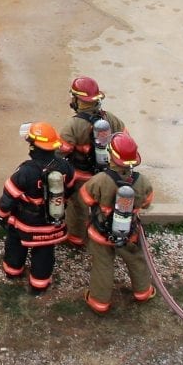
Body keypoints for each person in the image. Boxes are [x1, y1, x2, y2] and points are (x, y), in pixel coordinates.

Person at [80, 131, 157, 314]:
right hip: (129, 232)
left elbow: (86, 198)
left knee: (102, 265)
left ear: (111, 156)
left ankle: (99, 301)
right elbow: (147, 202)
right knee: (136, 260)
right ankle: (143, 292)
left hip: (101, 234)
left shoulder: (100, 180)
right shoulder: (142, 181)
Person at [0, 121, 75, 295]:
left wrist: (2, 216)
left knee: (15, 244)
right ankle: (39, 284)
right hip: (52, 224)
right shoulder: (65, 167)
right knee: (45, 253)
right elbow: (70, 188)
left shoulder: (25, 171)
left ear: (34, 147)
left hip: (26, 223)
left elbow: (8, 196)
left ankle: (13, 271)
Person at [61, 75, 126, 249]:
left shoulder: (73, 125)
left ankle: (76, 239)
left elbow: (61, 150)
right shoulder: (110, 119)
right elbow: (125, 141)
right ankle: (106, 236)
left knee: (78, 208)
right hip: (106, 175)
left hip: (81, 177)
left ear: (79, 100)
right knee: (105, 205)